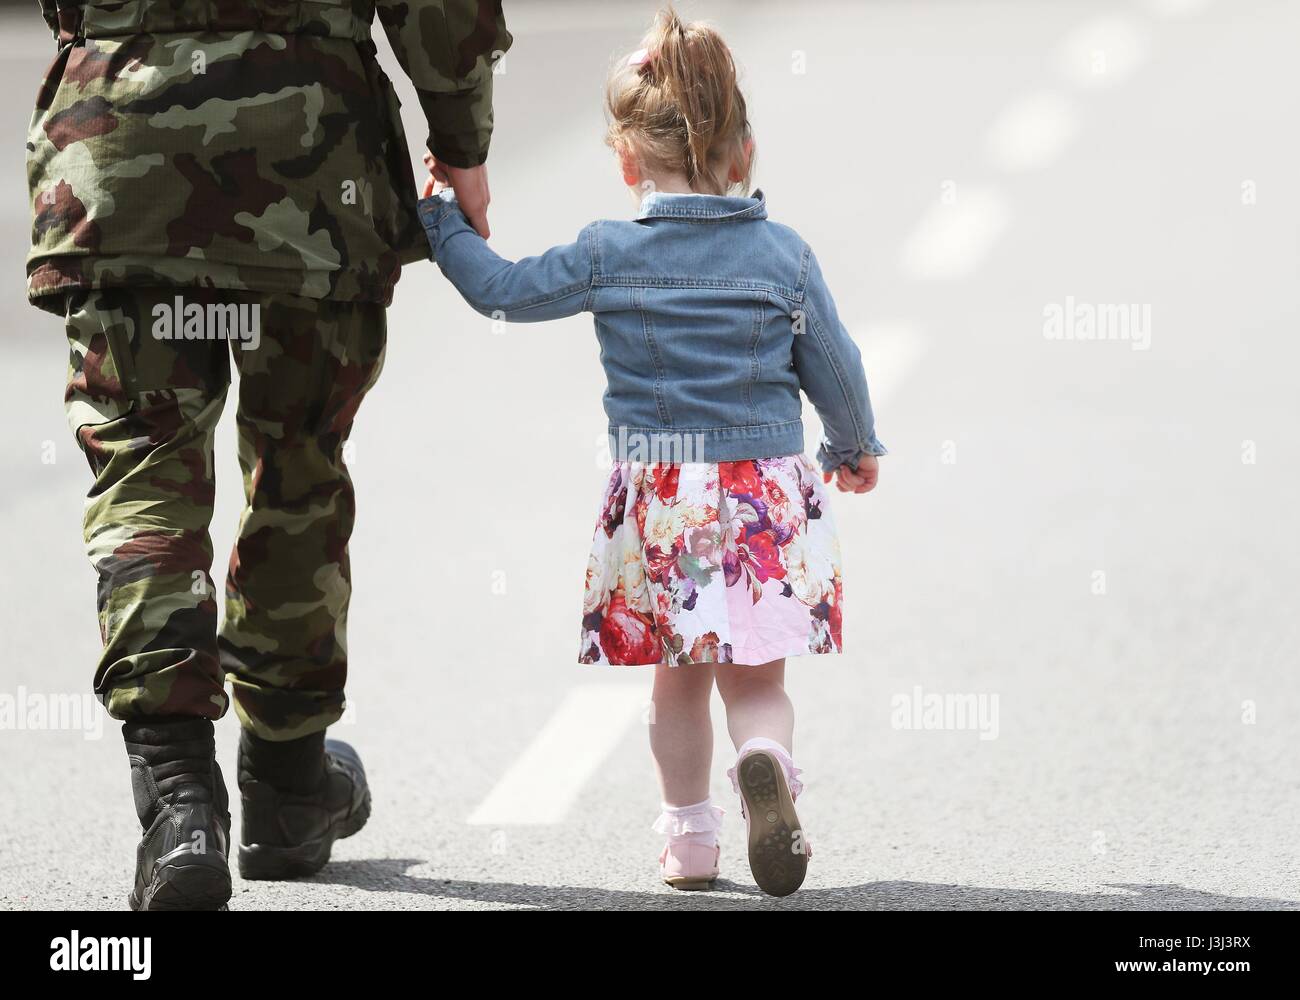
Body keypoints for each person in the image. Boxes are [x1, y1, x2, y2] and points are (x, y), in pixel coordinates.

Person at [27, 0, 509, 910]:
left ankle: (179, 806)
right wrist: (463, 141)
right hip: (311, 163)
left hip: (120, 158)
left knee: (144, 478)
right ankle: (287, 788)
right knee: (300, 467)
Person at [418, 6, 884, 898]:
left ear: (627, 161)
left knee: (677, 686)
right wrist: (853, 445)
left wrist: (441, 223)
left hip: (666, 504)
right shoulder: (783, 255)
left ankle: (692, 845)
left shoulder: (607, 252)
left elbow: (505, 293)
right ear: (745, 151)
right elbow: (834, 360)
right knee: (756, 682)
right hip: (761, 503)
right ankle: (766, 762)